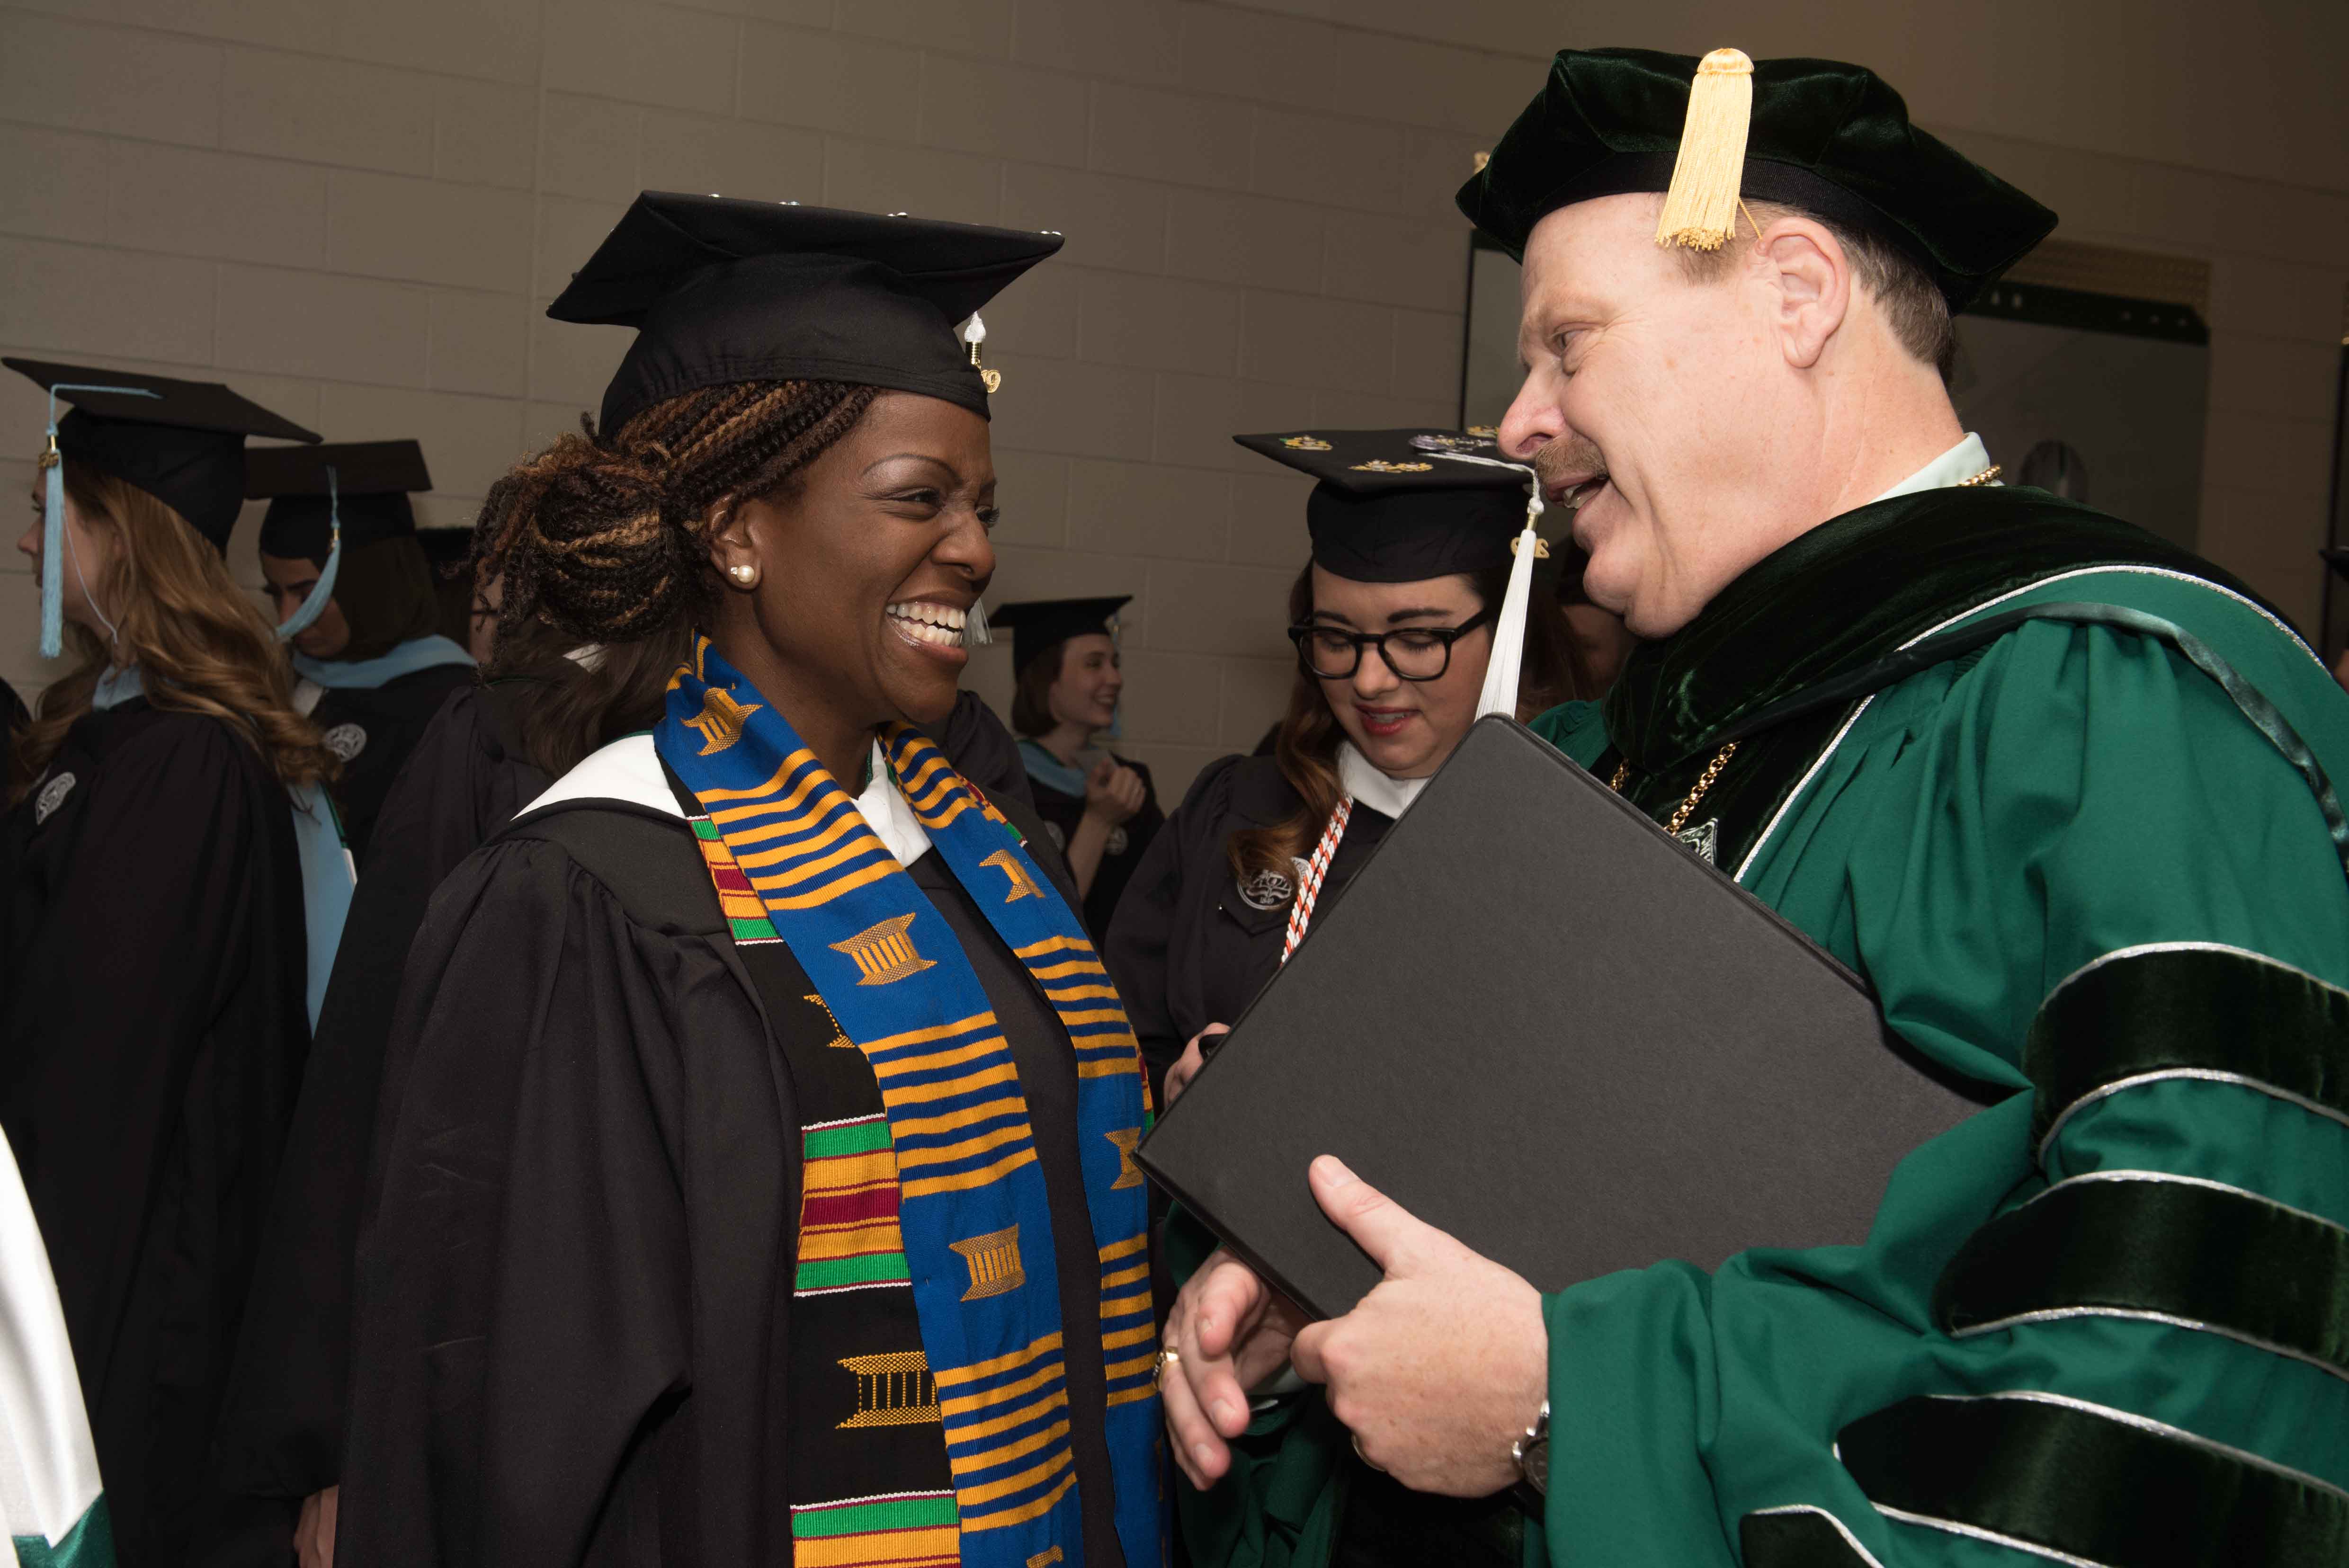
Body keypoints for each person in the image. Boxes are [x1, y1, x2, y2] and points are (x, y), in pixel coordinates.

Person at [1157, 46, 2349, 1568]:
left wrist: (1565, 1414)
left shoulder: (2121, 712)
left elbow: (2178, 1376)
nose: (1520, 425)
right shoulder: (1609, 752)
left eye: (1566, 346)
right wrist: (1318, 1300)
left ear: (1797, 296)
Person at [338, 195, 1166, 1567]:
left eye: (982, 506)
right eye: (921, 499)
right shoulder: (587, 893)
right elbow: (517, 1428)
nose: (975, 549)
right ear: (735, 532)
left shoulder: (978, 856)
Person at [221, 620, 1039, 1568]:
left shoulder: (960, 821)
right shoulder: (562, 846)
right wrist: (340, 1439)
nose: (971, 552)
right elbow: (385, 1110)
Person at [1105, 429, 1581, 1565]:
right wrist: (1178, 1099)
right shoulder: (1237, 811)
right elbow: (1125, 1030)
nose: (1371, 679)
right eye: (1335, 639)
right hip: (1249, 1384)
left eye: (1419, 639)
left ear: (1510, 622)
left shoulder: (1579, 833)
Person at [0, 358, 348, 1565]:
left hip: (117, 1321)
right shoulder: (111, 736)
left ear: (124, 534)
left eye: (58, 510)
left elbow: (94, 1090)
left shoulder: (181, 767)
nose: (34, 536)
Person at [253, 441, 476, 863]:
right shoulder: (280, 681)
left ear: (369, 585)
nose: (288, 619)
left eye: (307, 594)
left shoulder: (449, 705)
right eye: (275, 593)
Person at [992, 596, 1160, 936]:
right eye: (1094, 664)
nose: (1115, 678)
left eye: (1115, 663)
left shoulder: (1129, 779)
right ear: (1047, 680)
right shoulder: (1003, 783)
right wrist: (1099, 820)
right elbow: (1037, 919)